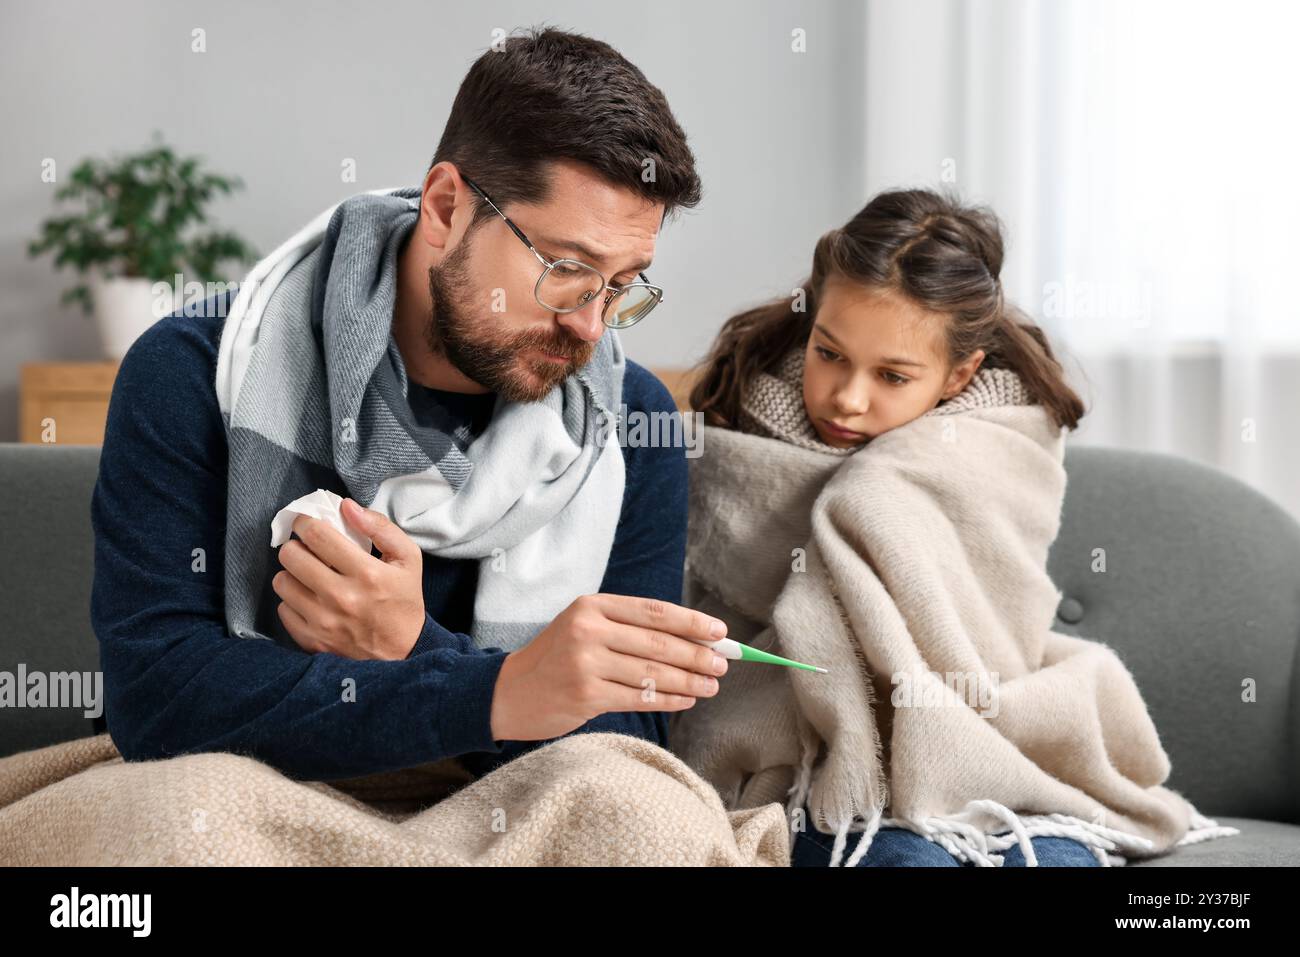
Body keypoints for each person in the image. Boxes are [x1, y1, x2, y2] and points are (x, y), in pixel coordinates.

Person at [90, 26, 733, 784]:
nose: (590, 325)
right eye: (566, 269)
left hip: (514, 815)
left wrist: (416, 648)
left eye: (623, 285)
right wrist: (493, 690)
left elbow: (635, 739)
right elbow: (159, 699)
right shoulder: (194, 369)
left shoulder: (630, 420)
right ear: (445, 206)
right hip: (265, 792)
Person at [672, 187, 1191, 867]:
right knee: (911, 863)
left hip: (981, 735)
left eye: (892, 375)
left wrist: (873, 489)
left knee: (1060, 861)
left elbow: (993, 625)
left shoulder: (999, 450)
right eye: (829, 353)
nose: (848, 397)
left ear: (959, 373)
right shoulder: (734, 429)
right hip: (790, 766)